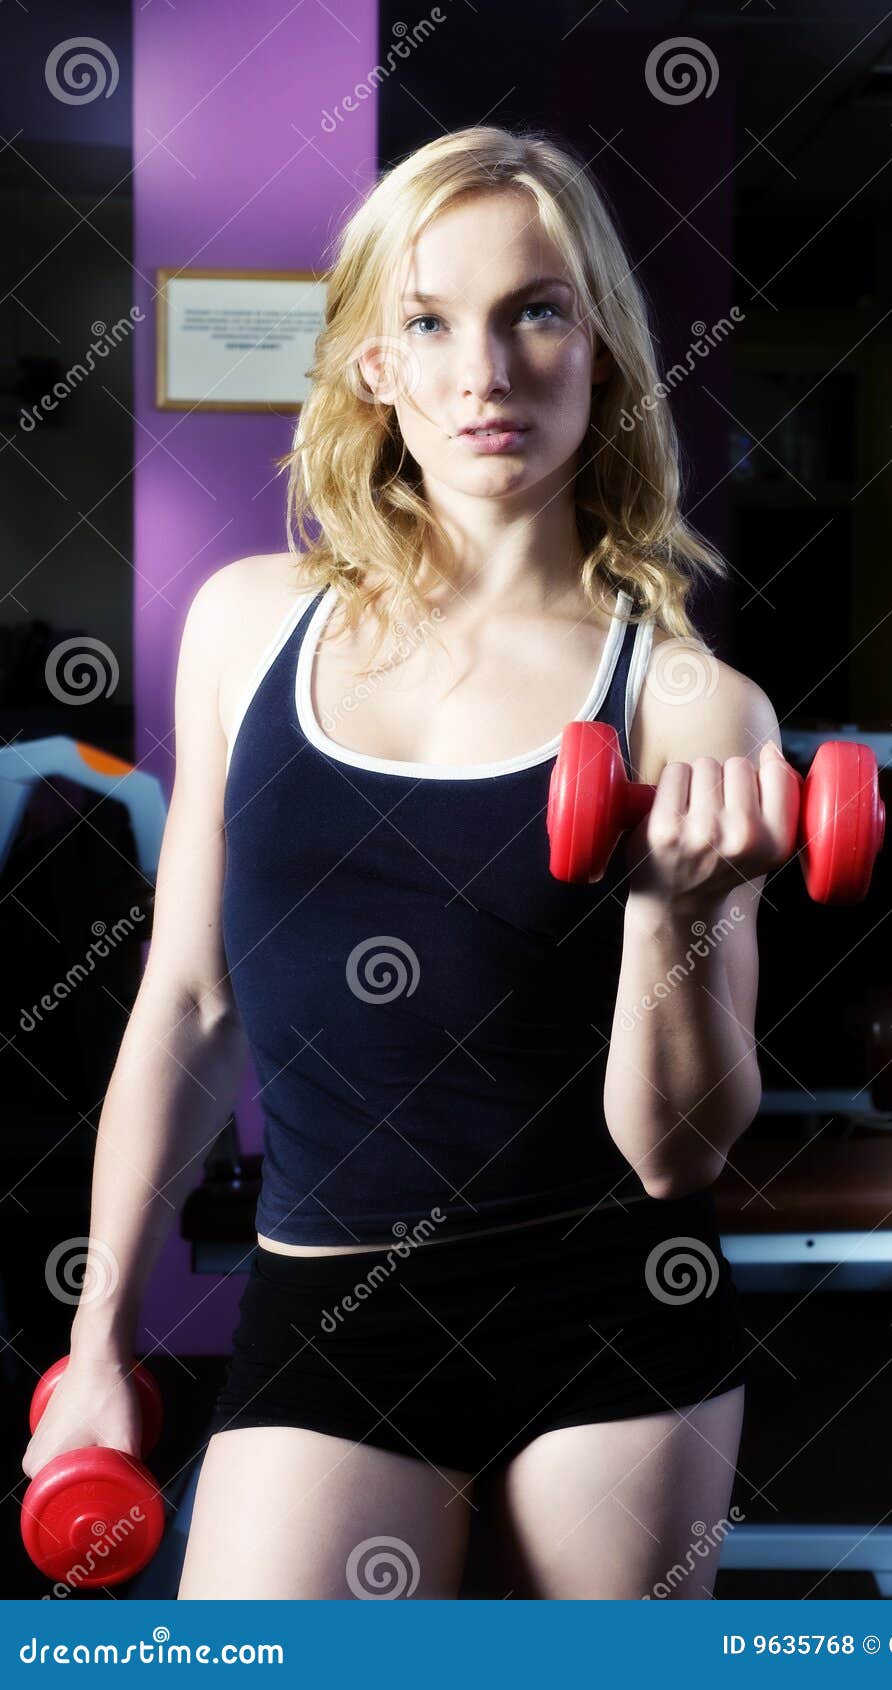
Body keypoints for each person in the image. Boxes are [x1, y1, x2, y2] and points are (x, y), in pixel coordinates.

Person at [23, 124, 793, 1600]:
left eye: (535, 313)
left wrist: (674, 910)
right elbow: (187, 1005)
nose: (483, 374)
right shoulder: (251, 627)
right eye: (429, 323)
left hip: (609, 1307)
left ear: (602, 350)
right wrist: (98, 1334)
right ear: (373, 364)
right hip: (330, 1305)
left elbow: (676, 1149)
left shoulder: (690, 703)